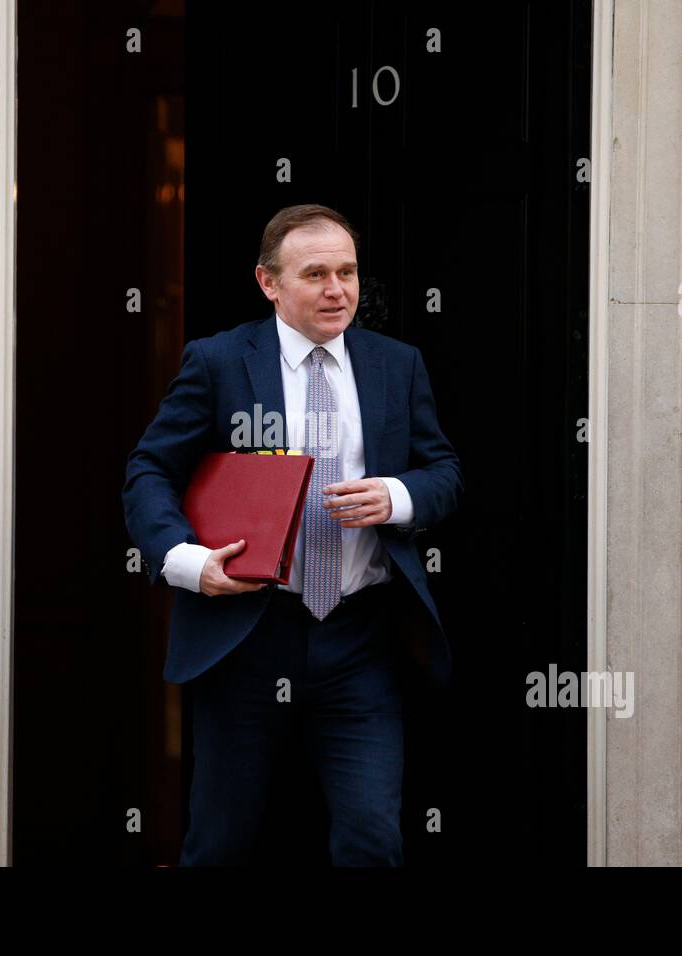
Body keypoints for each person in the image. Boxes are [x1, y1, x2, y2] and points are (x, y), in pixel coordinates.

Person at [122, 203, 463, 865]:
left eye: (347, 272)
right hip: (247, 635)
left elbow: (444, 472)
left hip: (361, 641)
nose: (337, 290)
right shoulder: (218, 362)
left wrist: (396, 496)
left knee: (371, 840)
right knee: (220, 844)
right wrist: (186, 561)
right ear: (268, 282)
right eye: (315, 274)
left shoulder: (398, 364)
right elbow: (149, 469)